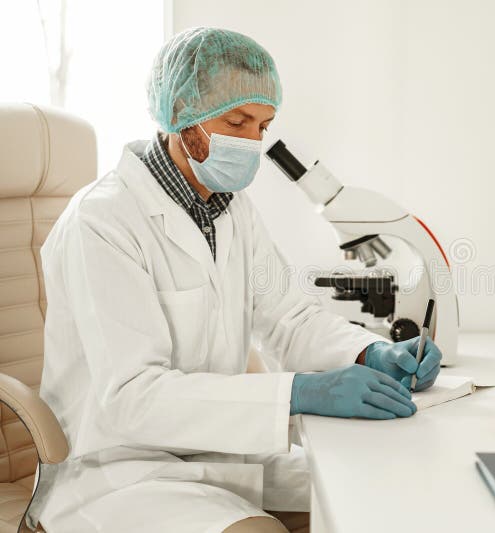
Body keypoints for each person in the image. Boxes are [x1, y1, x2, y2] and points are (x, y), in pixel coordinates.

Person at [27, 27, 442, 533]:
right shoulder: (102, 222)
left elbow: (289, 318)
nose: (251, 142)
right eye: (236, 121)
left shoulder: (231, 210)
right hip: (120, 470)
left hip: (217, 449)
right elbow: (133, 398)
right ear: (183, 116)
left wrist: (369, 353)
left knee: (376, 496)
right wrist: (298, 393)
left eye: (262, 126)